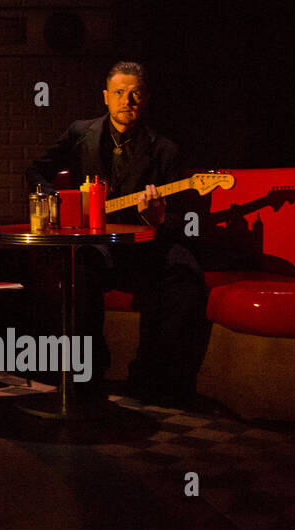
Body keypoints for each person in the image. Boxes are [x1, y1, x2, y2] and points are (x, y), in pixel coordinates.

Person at [27, 62, 209, 406]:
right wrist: (56, 203)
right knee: (78, 268)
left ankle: (157, 379)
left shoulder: (165, 150)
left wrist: (157, 217)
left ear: (147, 98)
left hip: (145, 246)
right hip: (96, 243)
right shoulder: (81, 133)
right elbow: (36, 169)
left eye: (136, 93)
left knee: (185, 273)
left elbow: (181, 220)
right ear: (106, 98)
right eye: (120, 93)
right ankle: (86, 374)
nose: (128, 100)